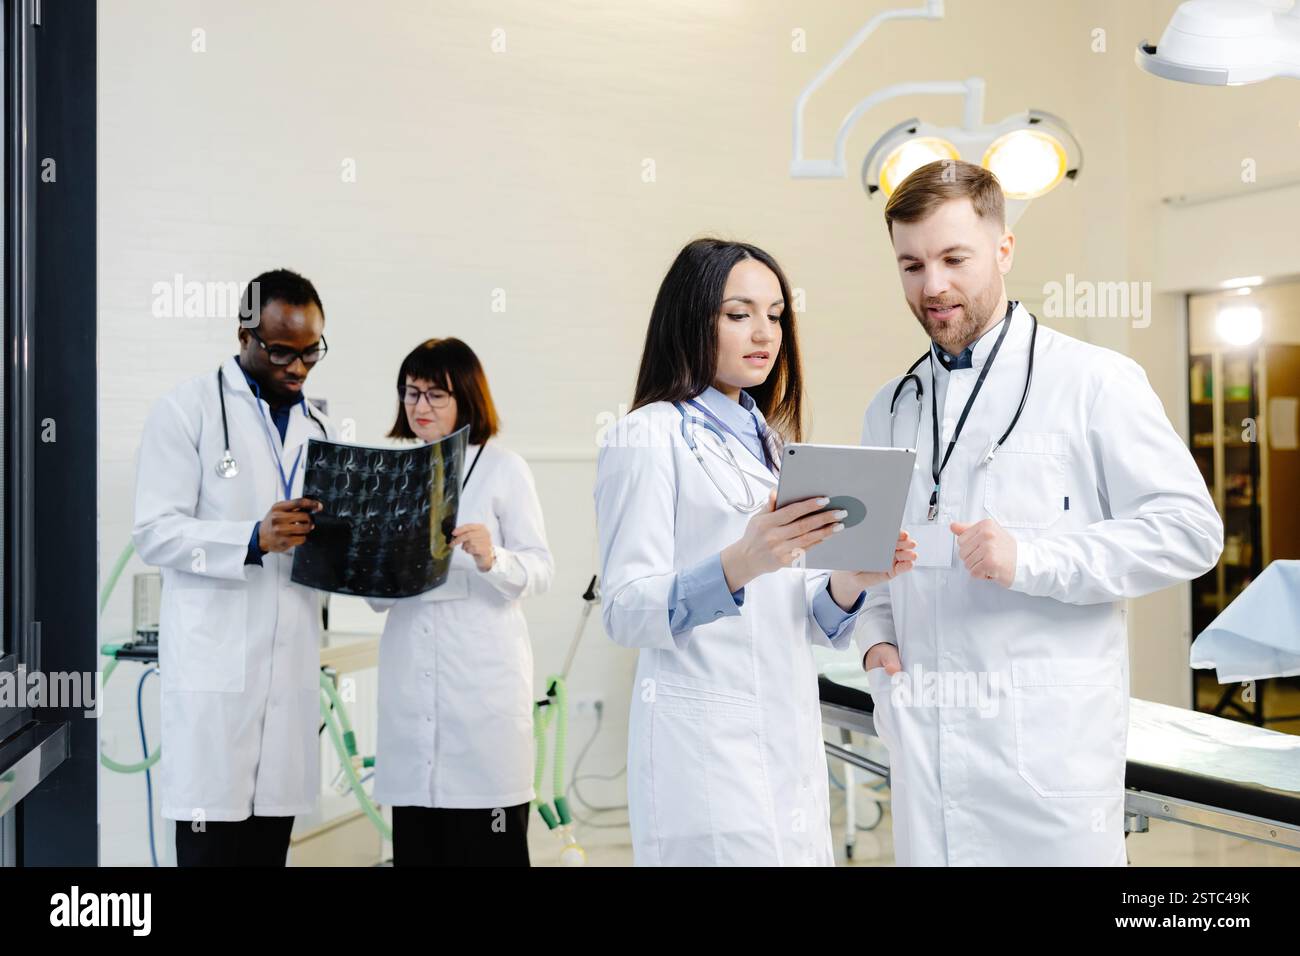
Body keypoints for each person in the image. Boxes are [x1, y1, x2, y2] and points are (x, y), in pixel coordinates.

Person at [858, 160, 1224, 866]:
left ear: (1004, 250)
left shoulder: (1094, 382)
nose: (933, 286)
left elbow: (1190, 531)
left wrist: (1033, 558)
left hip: (1048, 765)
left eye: (953, 258)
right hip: (927, 757)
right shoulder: (891, 406)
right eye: (911, 265)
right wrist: (876, 644)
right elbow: (874, 561)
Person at [594, 238, 916, 866]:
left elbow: (796, 612)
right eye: (738, 314)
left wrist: (852, 576)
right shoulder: (646, 436)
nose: (763, 333)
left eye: (775, 315)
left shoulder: (770, 443)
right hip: (704, 748)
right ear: (691, 319)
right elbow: (625, 609)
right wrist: (740, 563)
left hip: (785, 732)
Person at [133, 268, 335, 866]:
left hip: (288, 674)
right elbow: (154, 532)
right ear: (243, 334)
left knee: (268, 853)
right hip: (215, 682)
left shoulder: (317, 427)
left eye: (310, 353)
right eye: (280, 351)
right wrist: (251, 538)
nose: (297, 369)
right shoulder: (185, 411)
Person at [368, 338, 554, 866]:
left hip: (482, 681)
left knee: (487, 839)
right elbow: (379, 597)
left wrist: (490, 556)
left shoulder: (504, 468)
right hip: (409, 672)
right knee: (418, 840)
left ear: (466, 397)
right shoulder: (394, 472)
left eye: (435, 395)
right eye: (411, 394)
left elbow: (541, 570)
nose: (420, 408)